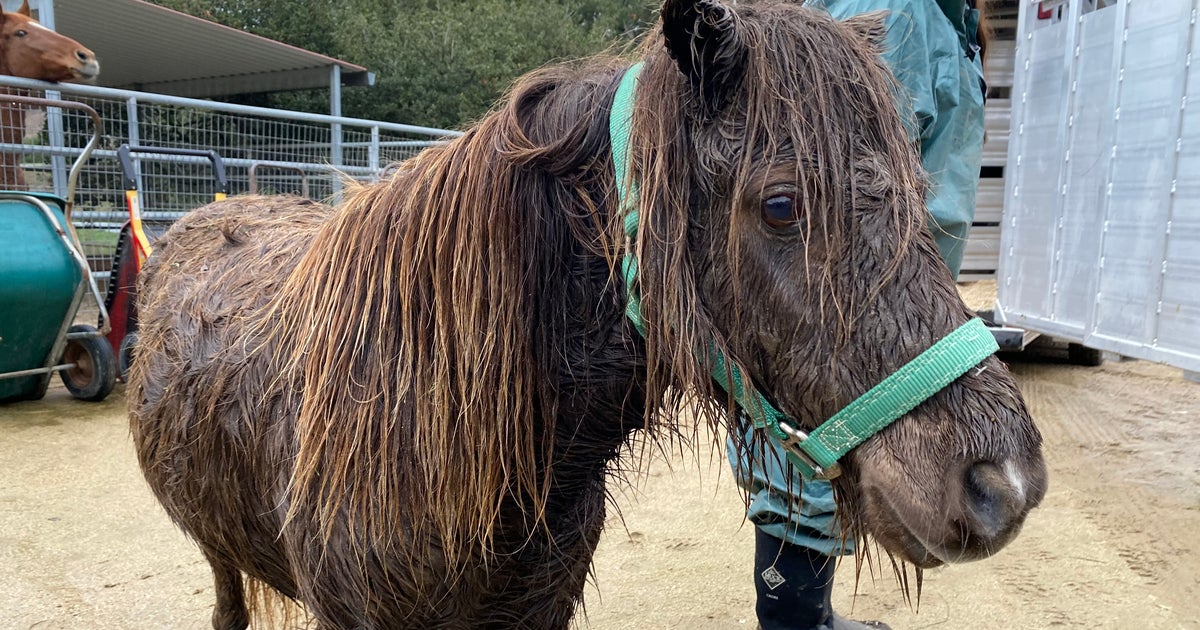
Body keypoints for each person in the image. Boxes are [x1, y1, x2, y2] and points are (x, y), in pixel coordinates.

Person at [728, 1, 989, 628]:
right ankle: (794, 617)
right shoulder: (894, 12)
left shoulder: (938, 18)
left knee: (836, 455)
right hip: (870, 307)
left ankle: (807, 611)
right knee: (816, 452)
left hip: (903, 299)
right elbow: (842, 209)